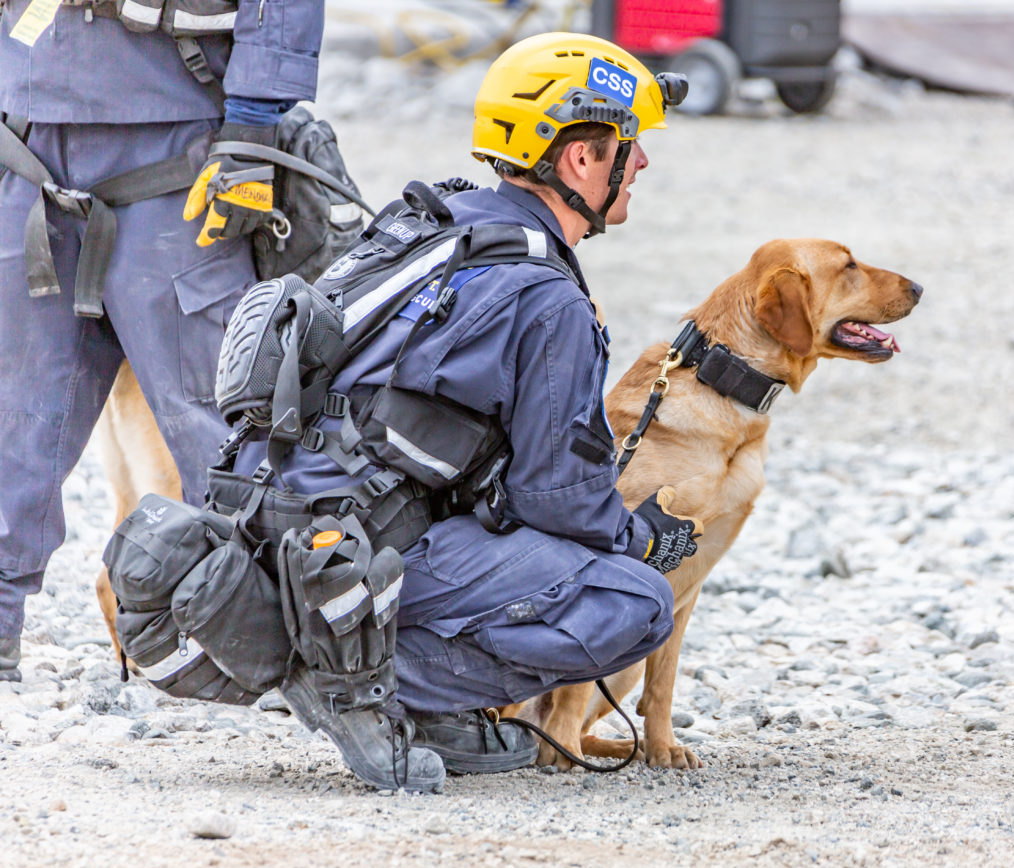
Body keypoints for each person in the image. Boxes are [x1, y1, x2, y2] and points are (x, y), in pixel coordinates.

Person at [268, 32, 701, 790]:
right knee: (634, 601)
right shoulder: (545, 296)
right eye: (628, 146)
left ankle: (373, 669)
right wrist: (642, 541)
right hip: (352, 548)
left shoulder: (437, 223)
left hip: (291, 534)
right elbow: (556, 495)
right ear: (579, 160)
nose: (643, 164)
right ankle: (365, 680)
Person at [0, 0, 325, 683]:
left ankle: (269, 645)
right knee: (15, 419)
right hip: (26, 137)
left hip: (179, 144)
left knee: (228, 431)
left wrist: (255, 124)